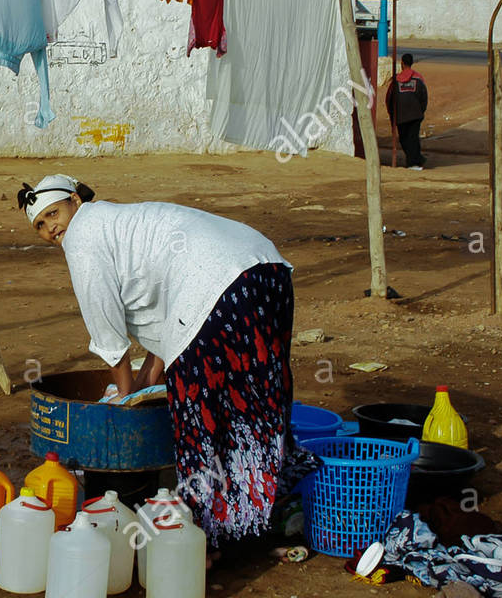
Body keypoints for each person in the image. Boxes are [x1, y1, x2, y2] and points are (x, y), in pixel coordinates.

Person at [18, 174, 318, 553]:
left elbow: (103, 318)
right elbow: (171, 318)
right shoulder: (123, 224)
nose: (50, 228)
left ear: (75, 200)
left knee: (202, 413)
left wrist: (125, 396)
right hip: (264, 271)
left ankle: (210, 541)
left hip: (221, 287)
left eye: (53, 213)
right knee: (255, 403)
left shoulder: (83, 235)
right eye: (40, 225)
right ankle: (263, 512)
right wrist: (146, 379)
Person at [385, 53, 428, 170]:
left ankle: (413, 162)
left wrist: (392, 114)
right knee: (413, 138)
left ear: (402, 64)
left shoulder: (395, 81)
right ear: (412, 63)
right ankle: (417, 160)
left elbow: (389, 98)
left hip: (401, 115)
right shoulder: (418, 79)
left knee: (405, 139)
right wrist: (421, 111)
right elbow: (424, 97)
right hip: (415, 115)